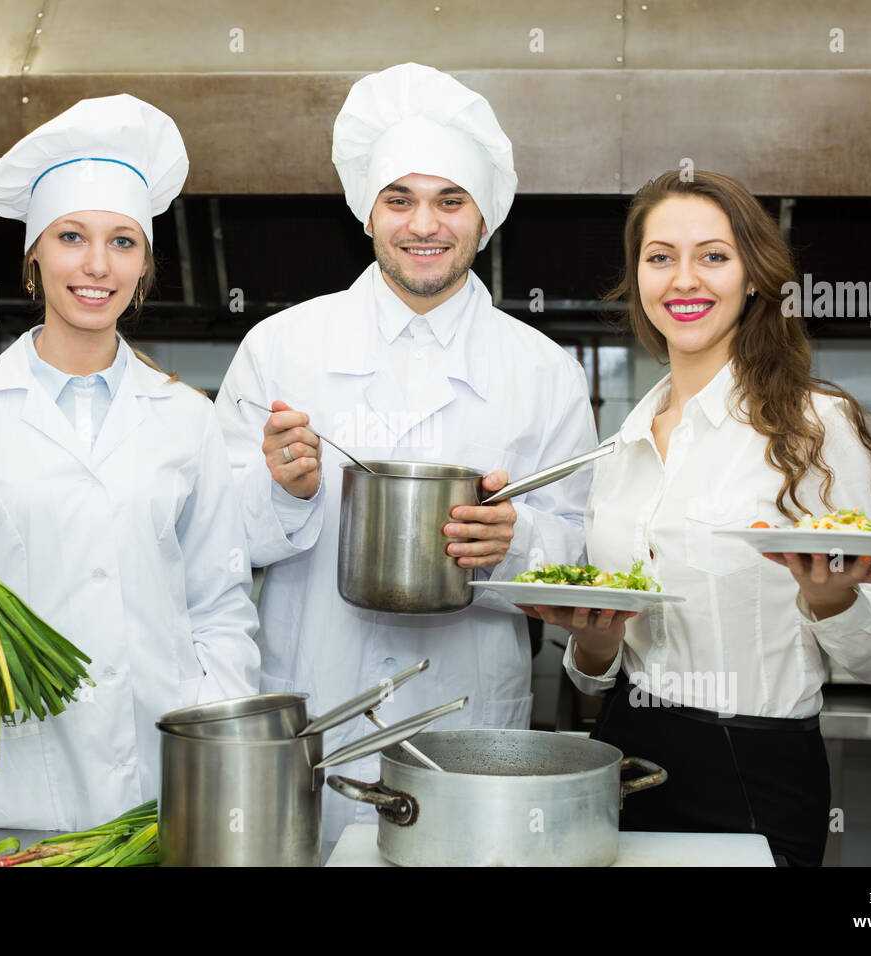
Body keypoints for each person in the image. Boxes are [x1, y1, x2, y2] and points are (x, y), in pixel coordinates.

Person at [214, 62, 598, 838]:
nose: (425, 224)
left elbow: (586, 558)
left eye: (450, 200)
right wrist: (281, 494)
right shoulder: (281, 348)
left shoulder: (544, 372)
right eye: (401, 199)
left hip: (471, 724)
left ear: (484, 218)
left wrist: (516, 542)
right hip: (316, 710)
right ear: (367, 213)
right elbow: (213, 543)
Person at [0, 94, 260, 831]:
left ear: (146, 262)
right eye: (70, 237)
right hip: (25, 778)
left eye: (123, 241)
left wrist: (211, 728)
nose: (97, 266)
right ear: (34, 254)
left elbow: (221, 605)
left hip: (169, 778)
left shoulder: (188, 418)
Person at [527, 169, 871, 867]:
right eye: (660, 256)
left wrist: (831, 599)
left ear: (754, 277)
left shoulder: (815, 429)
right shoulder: (622, 445)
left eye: (713, 256)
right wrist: (596, 646)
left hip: (756, 767)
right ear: (638, 278)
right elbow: (595, 670)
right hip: (624, 753)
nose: (684, 280)